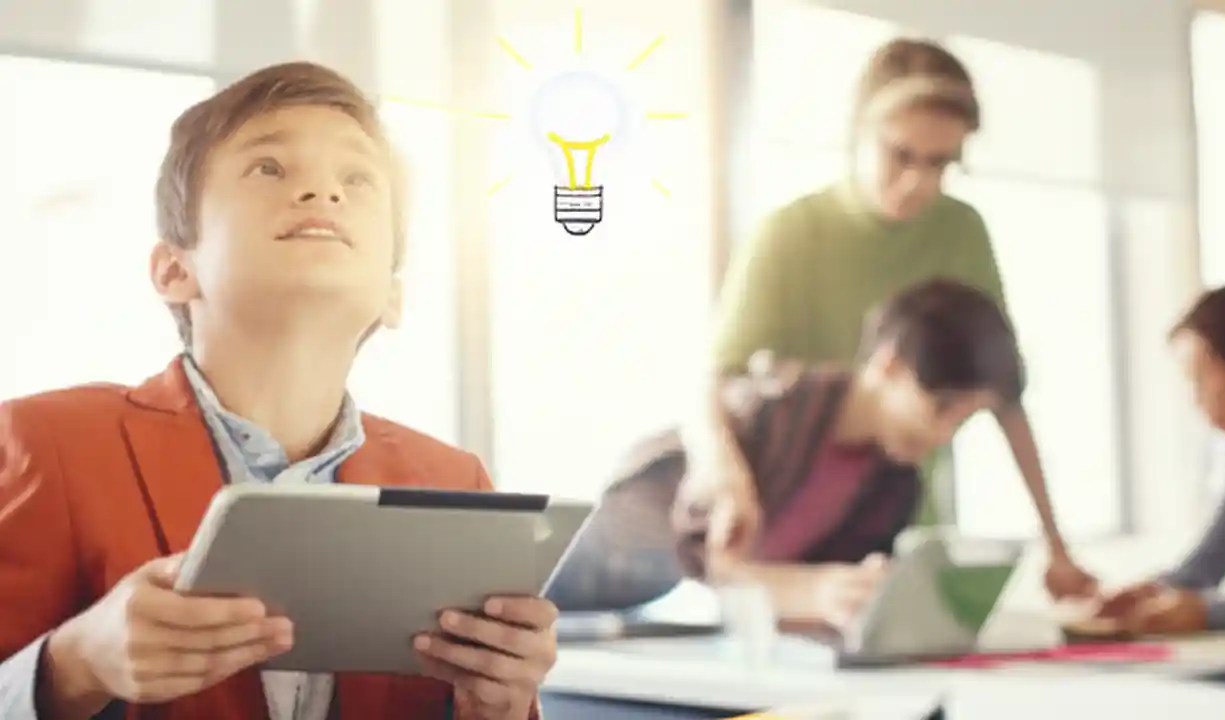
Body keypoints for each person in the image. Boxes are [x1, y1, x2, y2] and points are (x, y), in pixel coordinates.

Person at [0, 62, 555, 719]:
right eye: (269, 168)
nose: (324, 192)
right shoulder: (48, 444)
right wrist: (74, 663)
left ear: (392, 295)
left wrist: (501, 705)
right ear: (174, 269)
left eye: (357, 178)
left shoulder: (457, 484)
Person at [677, 37, 1096, 600]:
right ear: (859, 131)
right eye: (901, 155)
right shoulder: (790, 233)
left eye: (940, 163)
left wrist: (1057, 546)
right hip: (785, 541)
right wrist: (725, 477)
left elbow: (1003, 396)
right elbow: (713, 386)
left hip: (903, 519)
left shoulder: (962, 231)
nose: (918, 182)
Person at [550, 280, 1023, 627]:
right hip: (624, 571)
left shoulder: (894, 486)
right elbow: (702, 569)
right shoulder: (777, 406)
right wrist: (809, 592)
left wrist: (859, 594)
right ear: (889, 365)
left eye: (962, 421)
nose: (943, 434)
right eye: (940, 407)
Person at [1087, 285, 1225, 635]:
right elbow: (1215, 554)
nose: (1196, 400)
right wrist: (1162, 590)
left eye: (1202, 379)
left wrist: (1210, 615)